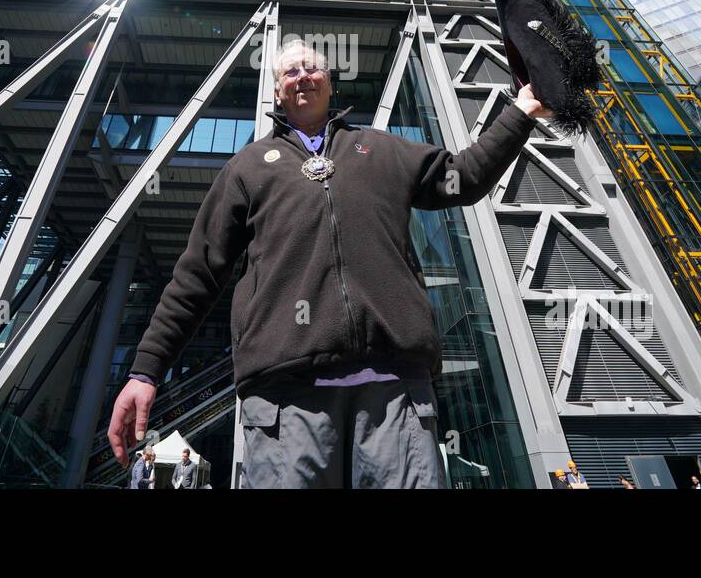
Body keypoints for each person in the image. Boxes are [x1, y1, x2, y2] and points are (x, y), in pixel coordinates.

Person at [109, 41, 550, 489]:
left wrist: (522, 112)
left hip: (393, 390)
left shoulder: (380, 149)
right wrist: (146, 370)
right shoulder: (247, 169)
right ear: (278, 92)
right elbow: (197, 275)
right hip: (286, 398)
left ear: (330, 81)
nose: (302, 76)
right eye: (289, 72)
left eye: (312, 68)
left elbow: (464, 177)